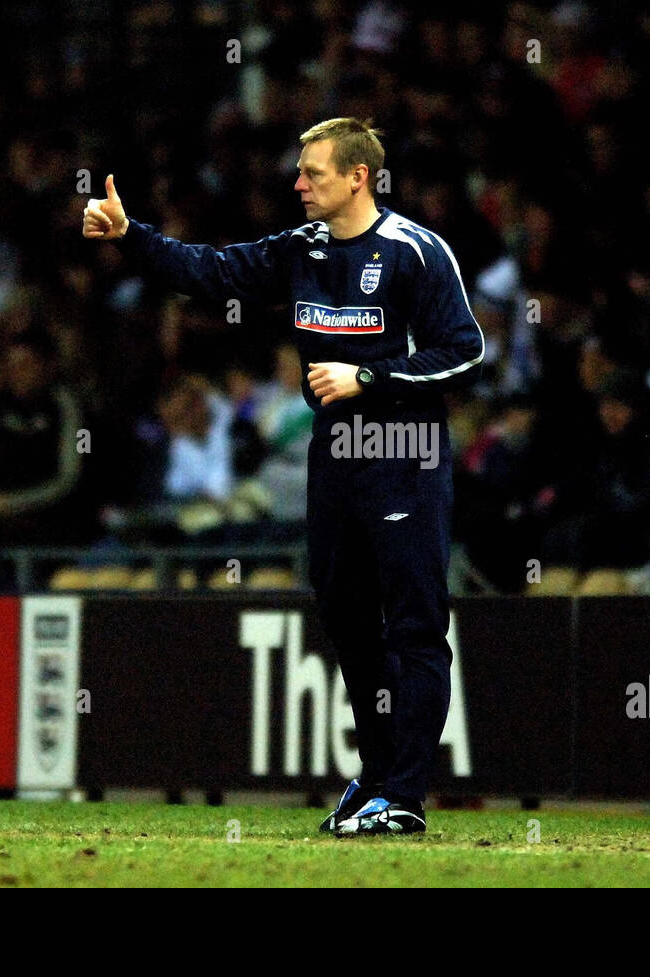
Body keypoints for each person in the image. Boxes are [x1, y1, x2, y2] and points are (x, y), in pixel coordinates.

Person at [84, 117, 484, 835]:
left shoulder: (416, 253)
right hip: (335, 453)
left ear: (358, 176)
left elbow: (465, 351)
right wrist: (131, 235)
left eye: (314, 172)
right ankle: (379, 772)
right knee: (347, 618)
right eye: (300, 171)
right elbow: (213, 273)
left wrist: (369, 374)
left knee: (415, 623)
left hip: (406, 449)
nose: (298, 184)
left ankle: (407, 794)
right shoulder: (303, 247)